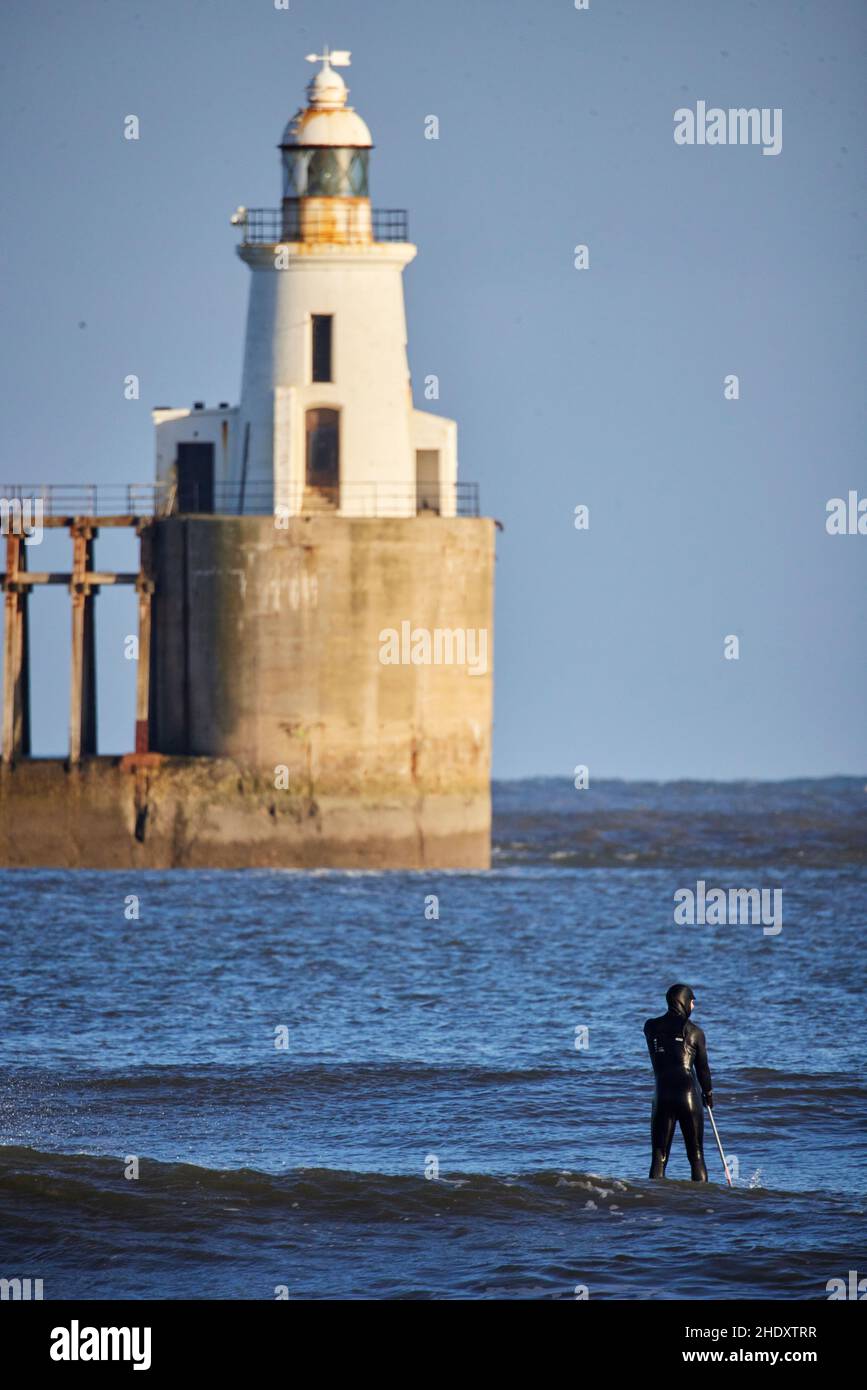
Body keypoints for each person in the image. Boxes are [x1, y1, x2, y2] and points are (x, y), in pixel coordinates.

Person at [643, 983, 713, 1182]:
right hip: (689, 1096)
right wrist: (708, 1094)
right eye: (692, 1002)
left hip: (662, 1095)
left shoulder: (650, 1027)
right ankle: (702, 1204)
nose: (693, 1007)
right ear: (683, 1001)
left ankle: (654, 1202)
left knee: (659, 1156)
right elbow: (703, 1069)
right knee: (696, 1156)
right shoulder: (695, 1032)